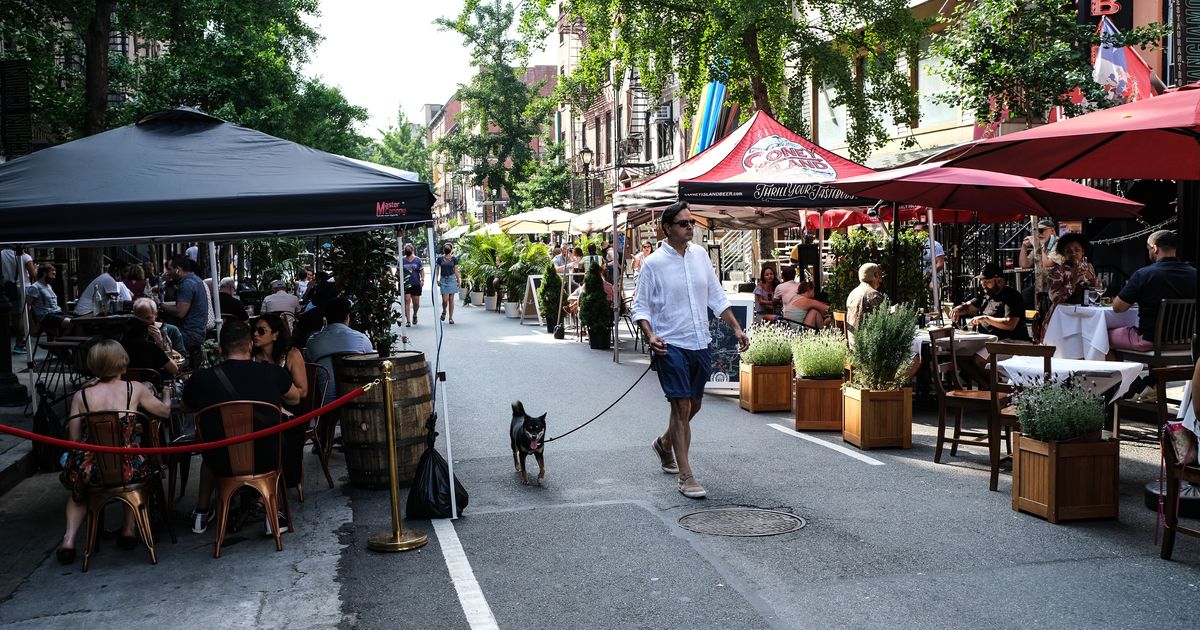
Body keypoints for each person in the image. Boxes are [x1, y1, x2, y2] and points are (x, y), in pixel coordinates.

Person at [632, 201, 749, 500]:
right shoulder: (653, 264)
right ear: (668, 228)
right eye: (683, 223)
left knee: (694, 405)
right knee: (681, 406)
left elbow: (716, 296)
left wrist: (736, 328)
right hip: (670, 344)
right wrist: (650, 334)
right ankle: (687, 476)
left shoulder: (700, 257)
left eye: (691, 222)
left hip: (700, 342)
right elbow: (640, 306)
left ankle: (664, 442)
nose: (690, 227)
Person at [56, 340, 171, 564]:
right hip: (128, 468)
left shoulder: (82, 396)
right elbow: (164, 412)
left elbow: (74, 440)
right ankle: (128, 529)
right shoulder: (134, 389)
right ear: (122, 363)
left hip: (92, 469)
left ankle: (69, 540)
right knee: (137, 473)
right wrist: (166, 393)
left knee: (78, 493)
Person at [182, 320, 300, 535]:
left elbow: (186, 406)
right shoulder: (271, 372)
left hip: (220, 462)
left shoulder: (200, 379)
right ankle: (276, 511)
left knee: (210, 447)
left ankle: (201, 511)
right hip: (267, 456)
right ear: (249, 346)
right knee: (279, 445)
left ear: (219, 350)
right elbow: (295, 399)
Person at [1109, 230, 1197, 354]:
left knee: (1102, 337)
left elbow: (1118, 307)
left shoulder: (1144, 274)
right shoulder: (1194, 274)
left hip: (1149, 340)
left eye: (1148, 249)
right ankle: (1155, 373)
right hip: (1186, 340)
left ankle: (1120, 374)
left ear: (1155, 248)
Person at [251, 313, 309, 491]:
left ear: (275, 335)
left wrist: (280, 392)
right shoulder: (251, 357)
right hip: (259, 411)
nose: (255, 334)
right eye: (254, 330)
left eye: (261, 331)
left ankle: (282, 481)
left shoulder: (291, 354)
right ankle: (257, 482)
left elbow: (303, 391)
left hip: (290, 411)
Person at [952, 262, 1030, 387]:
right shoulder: (986, 295)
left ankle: (1000, 388)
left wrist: (986, 318)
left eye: (987, 282)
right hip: (990, 342)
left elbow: (1010, 324)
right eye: (982, 282)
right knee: (960, 357)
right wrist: (958, 310)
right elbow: (968, 307)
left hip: (1012, 341)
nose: (983, 285)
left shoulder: (1012, 296)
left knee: (979, 360)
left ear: (999, 280)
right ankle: (989, 387)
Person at [305, 297, 373, 407]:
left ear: (326, 318)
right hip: (359, 402)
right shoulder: (362, 339)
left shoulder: (313, 341)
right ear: (347, 317)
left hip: (325, 405)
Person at [160, 254, 208, 364]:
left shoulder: (187, 284)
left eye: (170, 269)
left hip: (188, 333)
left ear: (178, 270)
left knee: (157, 338)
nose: (168, 272)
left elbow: (180, 312)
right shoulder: (195, 279)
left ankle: (172, 370)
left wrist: (160, 305)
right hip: (198, 331)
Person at [1044, 233, 1103, 316]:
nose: (1073, 253)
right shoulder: (1057, 271)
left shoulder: (1089, 267)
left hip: (1085, 312)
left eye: (1077, 250)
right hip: (1063, 315)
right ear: (1063, 254)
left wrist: (1094, 282)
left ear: (1083, 252)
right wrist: (1073, 281)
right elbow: (1055, 298)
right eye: (1068, 251)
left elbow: (1095, 292)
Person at [25, 264, 71, 339]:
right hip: (46, 316)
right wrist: (32, 324)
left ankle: (59, 346)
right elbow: (28, 306)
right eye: (52, 274)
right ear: (44, 274)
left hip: (57, 314)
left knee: (77, 322)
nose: (54, 277)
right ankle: (59, 344)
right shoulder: (35, 287)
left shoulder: (48, 286)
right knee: (71, 323)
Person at [2, 247, 35, 352]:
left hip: (9, 287)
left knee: (15, 316)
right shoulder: (25, 256)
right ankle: (20, 342)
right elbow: (33, 274)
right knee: (23, 315)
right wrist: (36, 267)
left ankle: (18, 342)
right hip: (24, 287)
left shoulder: (2, 254)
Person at [845, 263, 885, 345]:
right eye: (880, 275)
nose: (880, 280)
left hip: (853, 344)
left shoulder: (853, 293)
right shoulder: (873, 294)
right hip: (868, 347)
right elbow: (884, 321)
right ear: (875, 275)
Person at [433, 242, 460, 325]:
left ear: (451, 249)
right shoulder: (440, 259)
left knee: (451, 299)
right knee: (445, 300)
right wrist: (436, 279)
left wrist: (459, 280)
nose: (447, 249)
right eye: (445, 248)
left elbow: (456, 270)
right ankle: (444, 310)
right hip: (443, 279)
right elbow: (437, 270)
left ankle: (451, 318)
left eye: (448, 248)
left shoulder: (454, 259)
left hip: (452, 279)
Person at [401, 244, 424, 326]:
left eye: (409, 249)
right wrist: (399, 279)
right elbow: (397, 272)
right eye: (406, 249)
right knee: (407, 300)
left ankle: (414, 315)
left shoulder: (417, 260)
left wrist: (422, 280)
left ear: (412, 250)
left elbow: (421, 271)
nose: (407, 250)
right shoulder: (402, 260)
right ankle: (408, 321)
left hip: (416, 283)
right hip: (406, 284)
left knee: (416, 303)